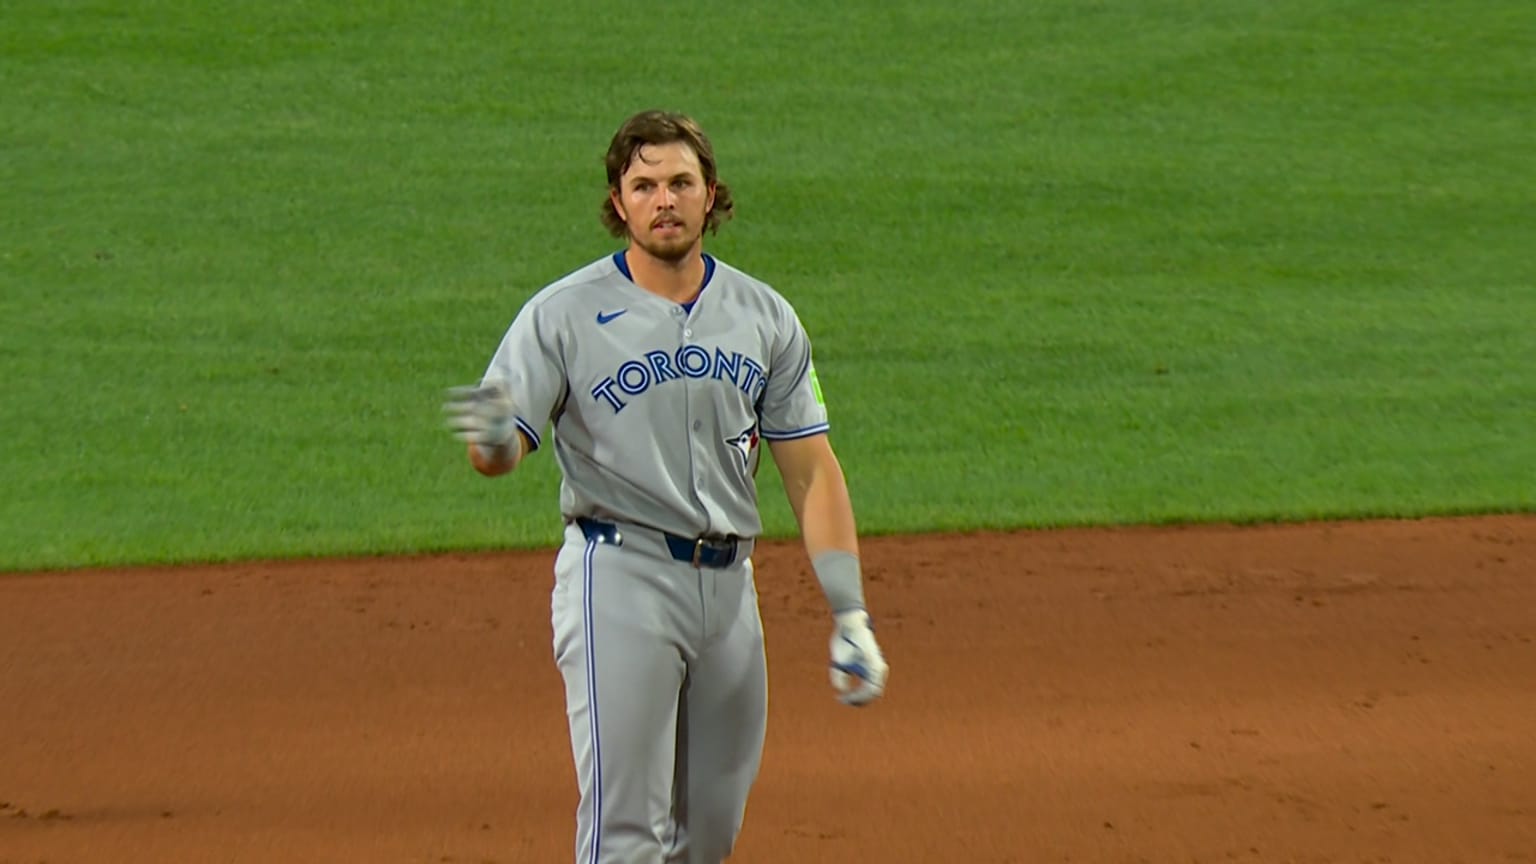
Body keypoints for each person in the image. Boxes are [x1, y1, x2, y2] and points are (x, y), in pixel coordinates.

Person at [443, 109, 889, 864]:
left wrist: (851, 613)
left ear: (711, 195)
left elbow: (811, 466)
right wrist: (489, 444)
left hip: (729, 592)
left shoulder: (764, 316)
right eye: (644, 184)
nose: (664, 199)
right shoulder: (562, 315)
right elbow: (503, 449)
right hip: (619, 577)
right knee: (626, 834)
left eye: (681, 182)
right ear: (618, 202)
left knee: (708, 835)